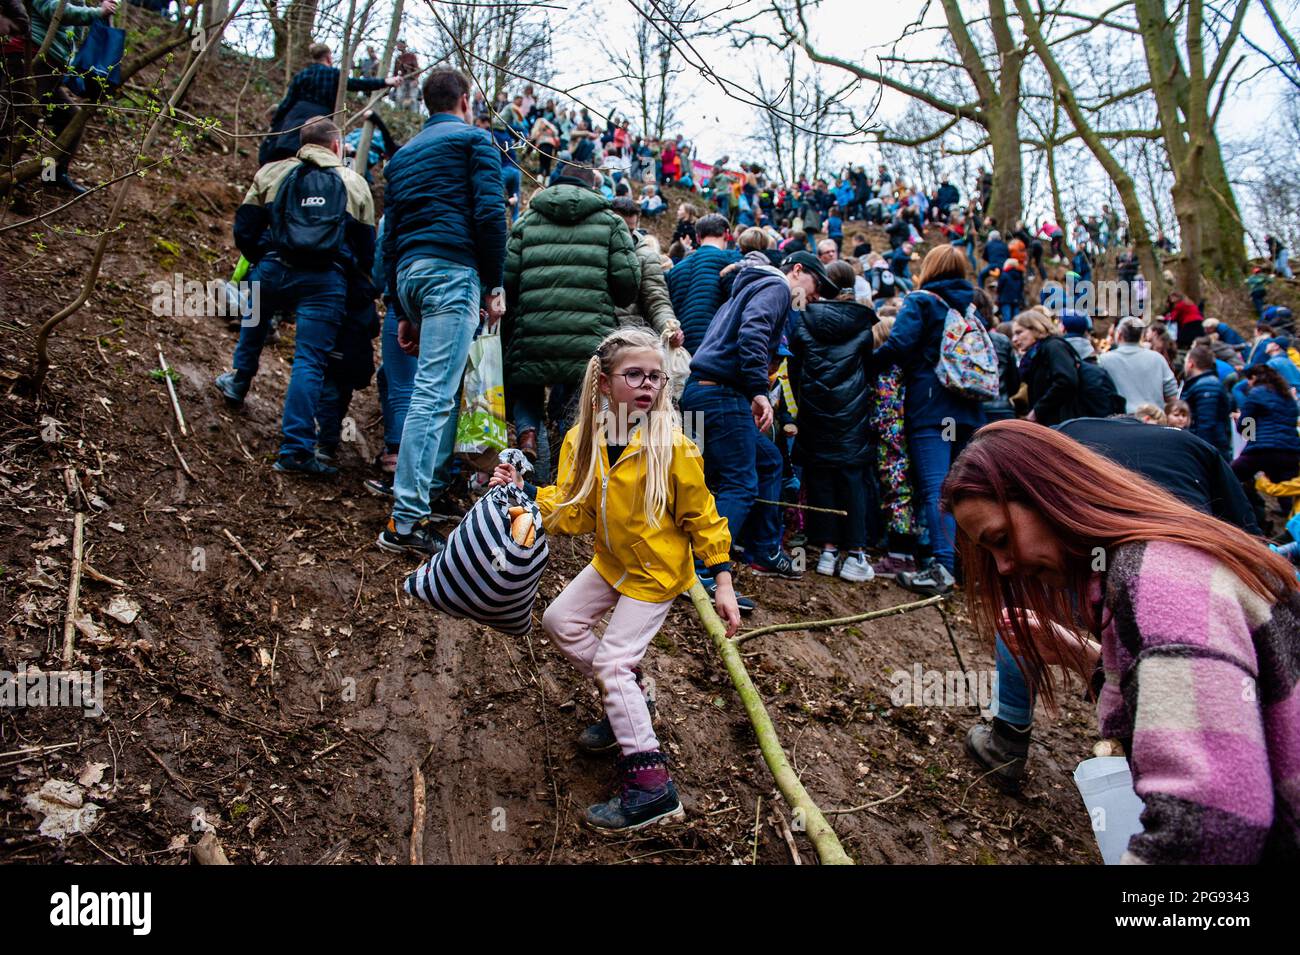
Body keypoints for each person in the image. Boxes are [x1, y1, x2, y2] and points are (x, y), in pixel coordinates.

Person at [945, 420, 1300, 862]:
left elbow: (1208, 826)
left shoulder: (1158, 584)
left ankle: (1006, 740)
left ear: (1047, 494)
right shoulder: (1153, 559)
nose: (1003, 568)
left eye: (1001, 540)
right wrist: (1086, 658)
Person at [491, 328, 740, 832]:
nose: (647, 385)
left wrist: (724, 581)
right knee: (560, 622)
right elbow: (574, 510)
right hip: (612, 560)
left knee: (613, 662)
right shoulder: (584, 438)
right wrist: (524, 494)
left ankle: (652, 790)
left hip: (656, 573)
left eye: (655, 376)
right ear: (604, 382)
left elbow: (704, 517)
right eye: (635, 375)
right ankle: (631, 698)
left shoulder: (673, 445)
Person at [376, 68, 507, 554]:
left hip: (412, 275)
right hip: (452, 273)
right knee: (432, 394)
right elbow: (491, 216)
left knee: (441, 393)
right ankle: (404, 523)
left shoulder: (402, 158)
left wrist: (399, 304)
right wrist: (494, 283)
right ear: (465, 100)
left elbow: (390, 236)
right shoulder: (475, 142)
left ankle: (424, 496)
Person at [218, 117, 377, 475]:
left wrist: (268, 255)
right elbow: (368, 251)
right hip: (325, 281)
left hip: (274, 267)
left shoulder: (272, 172)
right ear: (337, 146)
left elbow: (244, 229)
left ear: (302, 143)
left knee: (255, 319)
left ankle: (239, 380)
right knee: (309, 360)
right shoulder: (354, 183)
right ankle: (295, 449)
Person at [681, 251, 839, 583]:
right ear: (797, 270)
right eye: (816, 284)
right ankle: (701, 569)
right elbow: (753, 333)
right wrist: (758, 391)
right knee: (740, 483)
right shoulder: (776, 286)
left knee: (766, 460)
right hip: (722, 393)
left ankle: (762, 549)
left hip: (700, 391)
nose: (815, 295)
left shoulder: (744, 290)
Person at [503, 165, 640, 472]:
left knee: (528, 386)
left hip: (533, 330)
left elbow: (507, 281)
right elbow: (628, 285)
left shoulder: (526, 220)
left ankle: (529, 439)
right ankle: (568, 473)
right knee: (577, 403)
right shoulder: (611, 223)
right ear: (593, 186)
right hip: (590, 335)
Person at [873, 245, 985, 593]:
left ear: (930, 268)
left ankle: (942, 567)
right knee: (961, 490)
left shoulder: (922, 301)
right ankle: (966, 566)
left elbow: (899, 345)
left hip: (931, 408)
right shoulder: (968, 306)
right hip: (968, 407)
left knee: (937, 488)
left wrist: (867, 363)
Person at [788, 262, 877, 582]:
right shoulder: (863, 324)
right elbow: (870, 371)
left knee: (820, 476)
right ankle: (855, 554)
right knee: (853, 481)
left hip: (814, 410)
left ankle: (826, 552)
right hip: (851, 415)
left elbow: (794, 366)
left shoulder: (805, 320)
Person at [25, 0, 119, 194]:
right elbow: (55, 11)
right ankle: (5, 172)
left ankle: (51, 176)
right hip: (35, 60)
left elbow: (74, 30)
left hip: (52, 68)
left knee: (69, 122)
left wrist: (98, 12)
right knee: (23, 119)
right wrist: (98, 11)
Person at [260, 44, 400, 164]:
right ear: (328, 57)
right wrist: (385, 82)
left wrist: (275, 126)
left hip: (294, 127)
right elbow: (358, 84)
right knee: (314, 159)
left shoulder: (302, 75)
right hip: (320, 124)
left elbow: (286, 104)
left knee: (290, 160)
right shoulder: (333, 74)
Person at [1232, 363, 1300, 530]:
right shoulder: (1288, 397)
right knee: (1286, 487)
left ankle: (1246, 516)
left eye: (1248, 380)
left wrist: (1241, 423)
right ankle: (1290, 526)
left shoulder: (1256, 393)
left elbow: (1246, 425)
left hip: (1262, 450)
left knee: (1231, 475)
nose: (1247, 384)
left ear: (1254, 378)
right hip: (1290, 451)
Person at [666, 213, 740, 354]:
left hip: (681, 348)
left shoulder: (676, 269)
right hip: (716, 347)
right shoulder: (733, 261)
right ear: (726, 234)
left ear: (698, 238)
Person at [610, 196, 679, 338]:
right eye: (620, 229)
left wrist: (669, 328)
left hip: (630, 339)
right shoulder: (597, 250)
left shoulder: (645, 256)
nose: (626, 236)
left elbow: (657, 299)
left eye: (630, 230)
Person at [1011, 309, 1081, 427]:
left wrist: (1037, 410)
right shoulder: (1035, 354)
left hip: (1061, 422)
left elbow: (1065, 380)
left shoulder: (1053, 347)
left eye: (1019, 332)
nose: (1014, 339)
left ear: (1036, 328)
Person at [1098, 318, 1179, 413]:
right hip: (1152, 420)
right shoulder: (1157, 359)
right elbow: (1172, 396)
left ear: (1119, 334)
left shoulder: (1104, 360)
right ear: (1141, 336)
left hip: (1118, 421)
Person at [1180, 343, 1233, 459]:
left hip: (1209, 449)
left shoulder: (1207, 385)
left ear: (1191, 364)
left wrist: (1200, 451)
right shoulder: (1202, 383)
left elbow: (1206, 423)